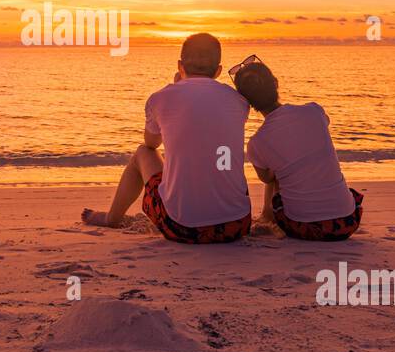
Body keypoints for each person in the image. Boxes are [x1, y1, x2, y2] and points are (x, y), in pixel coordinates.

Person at [81, 33, 252, 243]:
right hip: (237, 225)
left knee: (142, 153)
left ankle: (111, 218)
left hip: (181, 227)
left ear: (180, 65)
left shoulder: (160, 98)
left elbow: (151, 143)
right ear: (218, 71)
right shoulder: (239, 100)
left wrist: (176, 88)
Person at [231, 56, 363, 241]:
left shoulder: (257, 143)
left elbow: (267, 178)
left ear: (247, 102)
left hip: (302, 227)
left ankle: (268, 215)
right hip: (347, 222)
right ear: (275, 83)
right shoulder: (314, 111)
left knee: (275, 169)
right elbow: (325, 124)